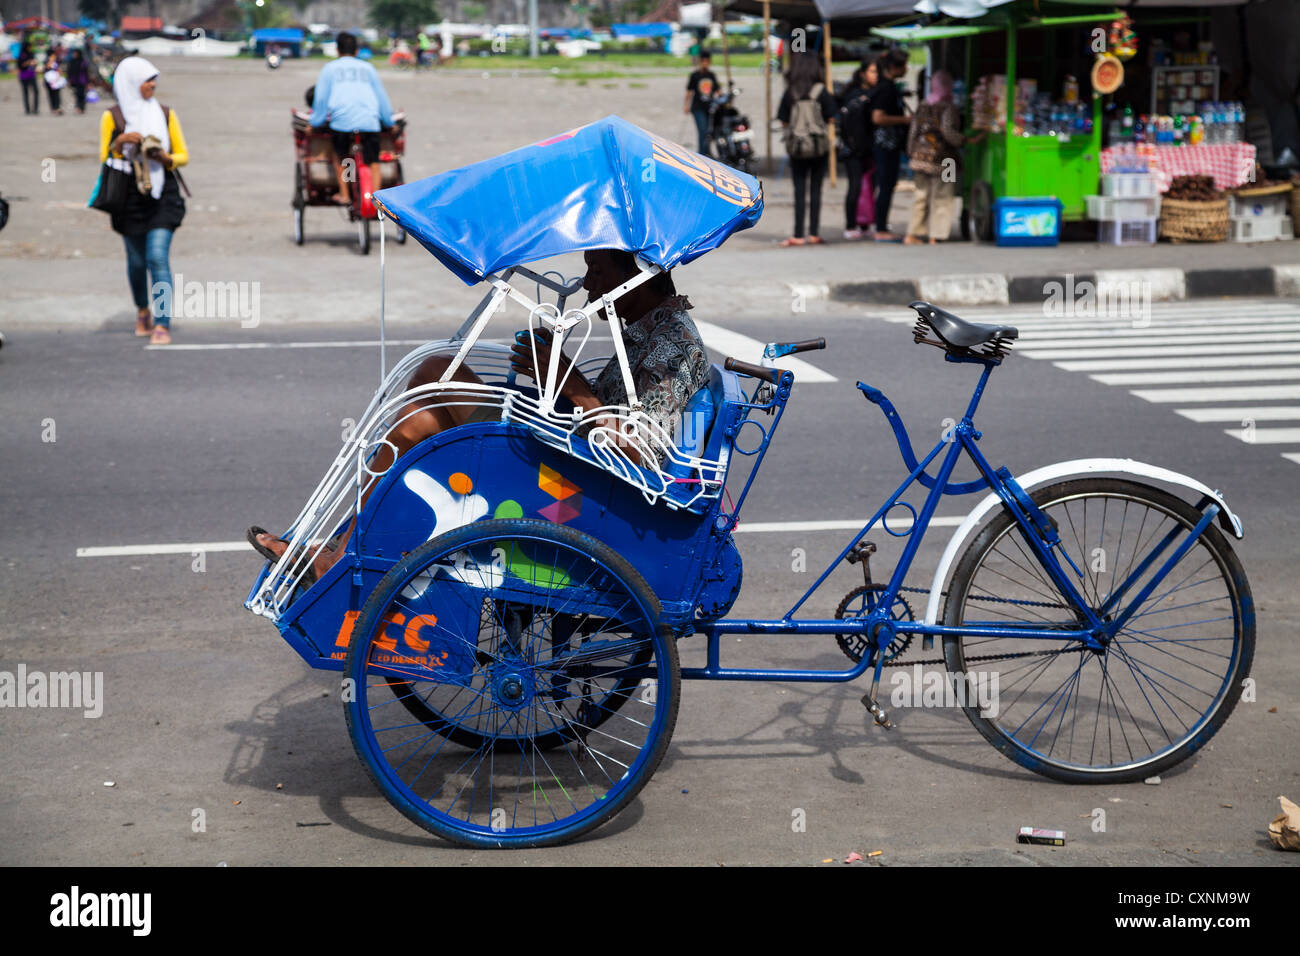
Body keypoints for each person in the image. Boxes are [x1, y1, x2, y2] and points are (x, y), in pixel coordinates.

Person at [248, 249, 709, 578]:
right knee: (417, 424)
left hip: (574, 481)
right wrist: (557, 380)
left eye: (598, 270)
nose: (589, 285)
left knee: (435, 370)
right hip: (565, 450)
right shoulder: (650, 329)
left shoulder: (672, 342)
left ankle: (343, 551)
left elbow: (642, 449)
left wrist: (572, 386)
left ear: (639, 276)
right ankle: (344, 550)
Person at [99, 56, 189, 344]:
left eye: (154, 80)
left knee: (156, 258)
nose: (153, 85)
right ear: (131, 83)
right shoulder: (112, 117)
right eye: (147, 80)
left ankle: (162, 322)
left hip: (163, 193)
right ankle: (142, 311)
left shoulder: (165, 113)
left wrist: (165, 158)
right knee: (136, 262)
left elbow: (183, 155)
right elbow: (105, 159)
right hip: (127, 195)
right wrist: (119, 144)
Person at [309, 31, 394, 206]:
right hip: (370, 122)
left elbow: (321, 100)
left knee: (340, 156)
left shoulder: (329, 69)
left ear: (337, 50)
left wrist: (315, 123)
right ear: (356, 51)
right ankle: (377, 202)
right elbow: (382, 99)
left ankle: (345, 194)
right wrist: (389, 123)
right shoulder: (369, 68)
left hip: (341, 123)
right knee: (374, 161)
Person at [777, 52, 836, 247]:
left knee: (799, 189)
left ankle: (798, 234)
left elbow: (783, 119)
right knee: (816, 188)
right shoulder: (822, 91)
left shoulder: (790, 92)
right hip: (819, 146)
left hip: (797, 147)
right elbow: (831, 117)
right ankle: (814, 233)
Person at [905, 70, 964, 245]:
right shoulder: (948, 107)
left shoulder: (923, 104)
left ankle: (913, 233)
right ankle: (936, 235)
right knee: (944, 195)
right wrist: (964, 140)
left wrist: (911, 152)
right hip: (947, 160)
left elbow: (913, 131)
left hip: (919, 158)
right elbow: (948, 133)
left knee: (920, 195)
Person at [868, 49, 911, 241]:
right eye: (903, 65)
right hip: (886, 144)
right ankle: (881, 228)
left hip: (886, 144)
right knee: (885, 185)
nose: (906, 69)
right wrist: (904, 120)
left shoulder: (885, 86)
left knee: (886, 184)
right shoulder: (885, 89)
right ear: (893, 67)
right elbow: (878, 117)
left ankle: (881, 226)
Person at [837, 60, 878, 240]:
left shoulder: (874, 94)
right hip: (852, 150)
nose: (875, 75)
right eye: (872, 71)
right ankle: (850, 224)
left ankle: (865, 223)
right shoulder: (854, 96)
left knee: (869, 186)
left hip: (868, 149)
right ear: (862, 73)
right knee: (854, 187)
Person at [684, 52, 719, 157]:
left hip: (709, 107)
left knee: (709, 131)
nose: (705, 64)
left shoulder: (711, 75)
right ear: (700, 62)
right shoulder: (694, 75)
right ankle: (702, 154)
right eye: (703, 61)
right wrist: (686, 105)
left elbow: (717, 90)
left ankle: (707, 151)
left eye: (707, 62)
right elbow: (689, 92)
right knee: (702, 130)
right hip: (697, 107)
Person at [66, 48, 91, 114]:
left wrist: (88, 82)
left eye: (76, 53)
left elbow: (86, 72)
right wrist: (68, 80)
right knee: (77, 95)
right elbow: (69, 71)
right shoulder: (72, 61)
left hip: (82, 81)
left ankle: (82, 107)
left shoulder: (83, 61)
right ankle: (78, 107)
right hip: (74, 81)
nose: (74, 55)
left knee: (82, 95)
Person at [18, 41, 40, 115]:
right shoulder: (22, 55)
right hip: (24, 76)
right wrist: (28, 62)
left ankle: (35, 109)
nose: (30, 48)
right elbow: (20, 65)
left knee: (36, 91)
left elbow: (34, 63)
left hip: (32, 75)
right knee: (25, 93)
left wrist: (34, 63)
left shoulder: (31, 54)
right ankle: (27, 109)